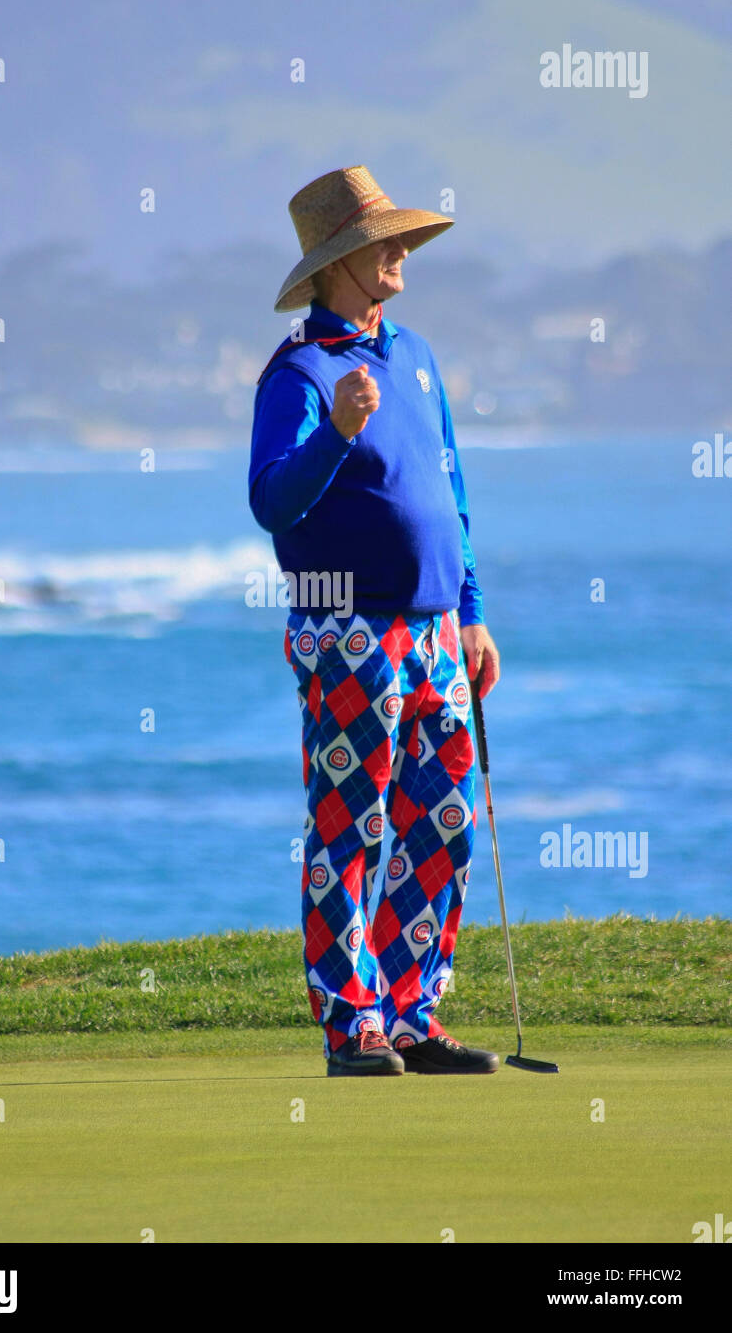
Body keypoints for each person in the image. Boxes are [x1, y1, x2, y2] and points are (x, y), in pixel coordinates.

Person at [249, 166, 501, 1077]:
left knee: (440, 819)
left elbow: (452, 497)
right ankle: (351, 1023)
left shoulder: (418, 357)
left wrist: (470, 613)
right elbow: (273, 502)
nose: (400, 253)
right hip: (345, 627)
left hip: (434, 631)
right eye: (384, 242)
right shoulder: (301, 375)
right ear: (341, 263)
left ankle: (408, 1016)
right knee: (350, 825)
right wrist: (337, 434)